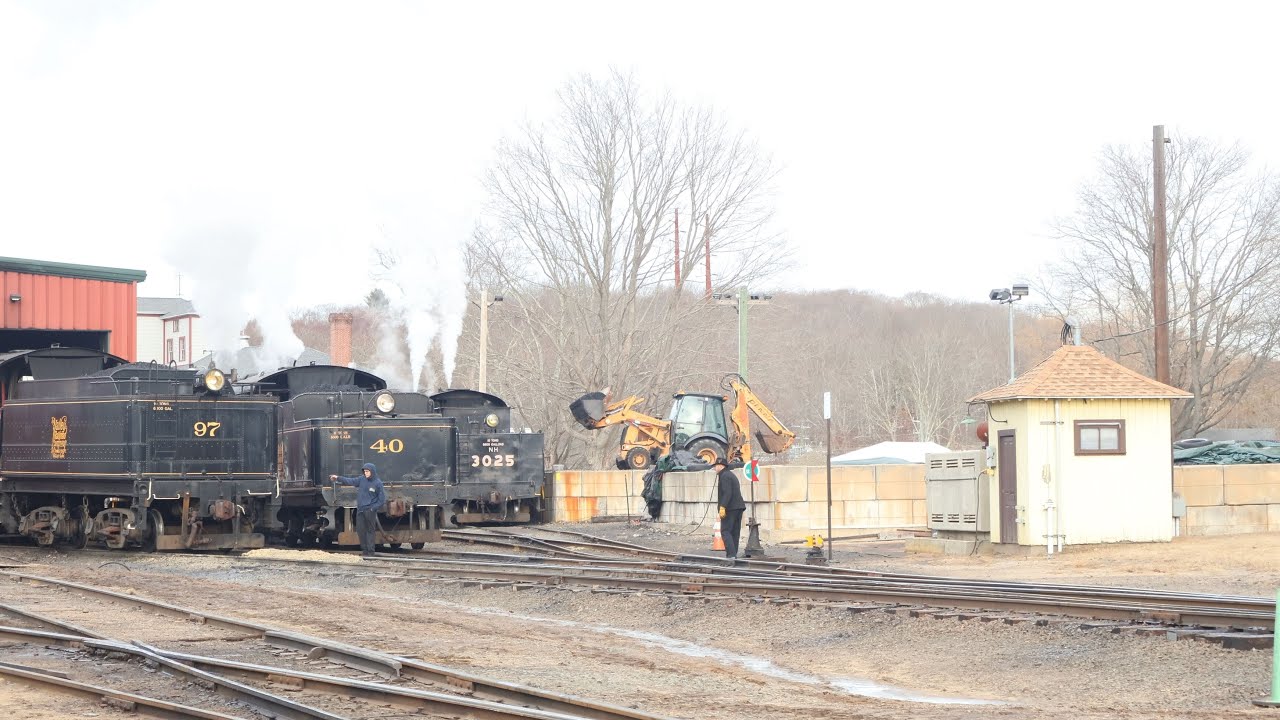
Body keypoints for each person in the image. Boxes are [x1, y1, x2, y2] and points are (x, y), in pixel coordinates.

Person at [329, 463, 386, 557]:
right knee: (360, 530)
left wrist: (373, 508)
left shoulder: (378, 483)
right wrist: (338, 478)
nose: (366, 473)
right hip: (360, 510)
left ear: (372, 472)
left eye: (367, 471)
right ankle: (364, 550)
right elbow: (350, 481)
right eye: (365, 471)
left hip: (370, 510)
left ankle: (371, 552)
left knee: (370, 531)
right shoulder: (361, 479)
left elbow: (381, 499)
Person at [713, 456, 746, 559]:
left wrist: (722, 507)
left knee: (725, 531)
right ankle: (734, 554)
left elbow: (727, 493)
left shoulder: (725, 476)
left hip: (730, 508)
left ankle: (731, 555)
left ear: (720, 465)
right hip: (738, 507)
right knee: (735, 532)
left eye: (715, 466)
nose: (714, 468)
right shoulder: (730, 474)